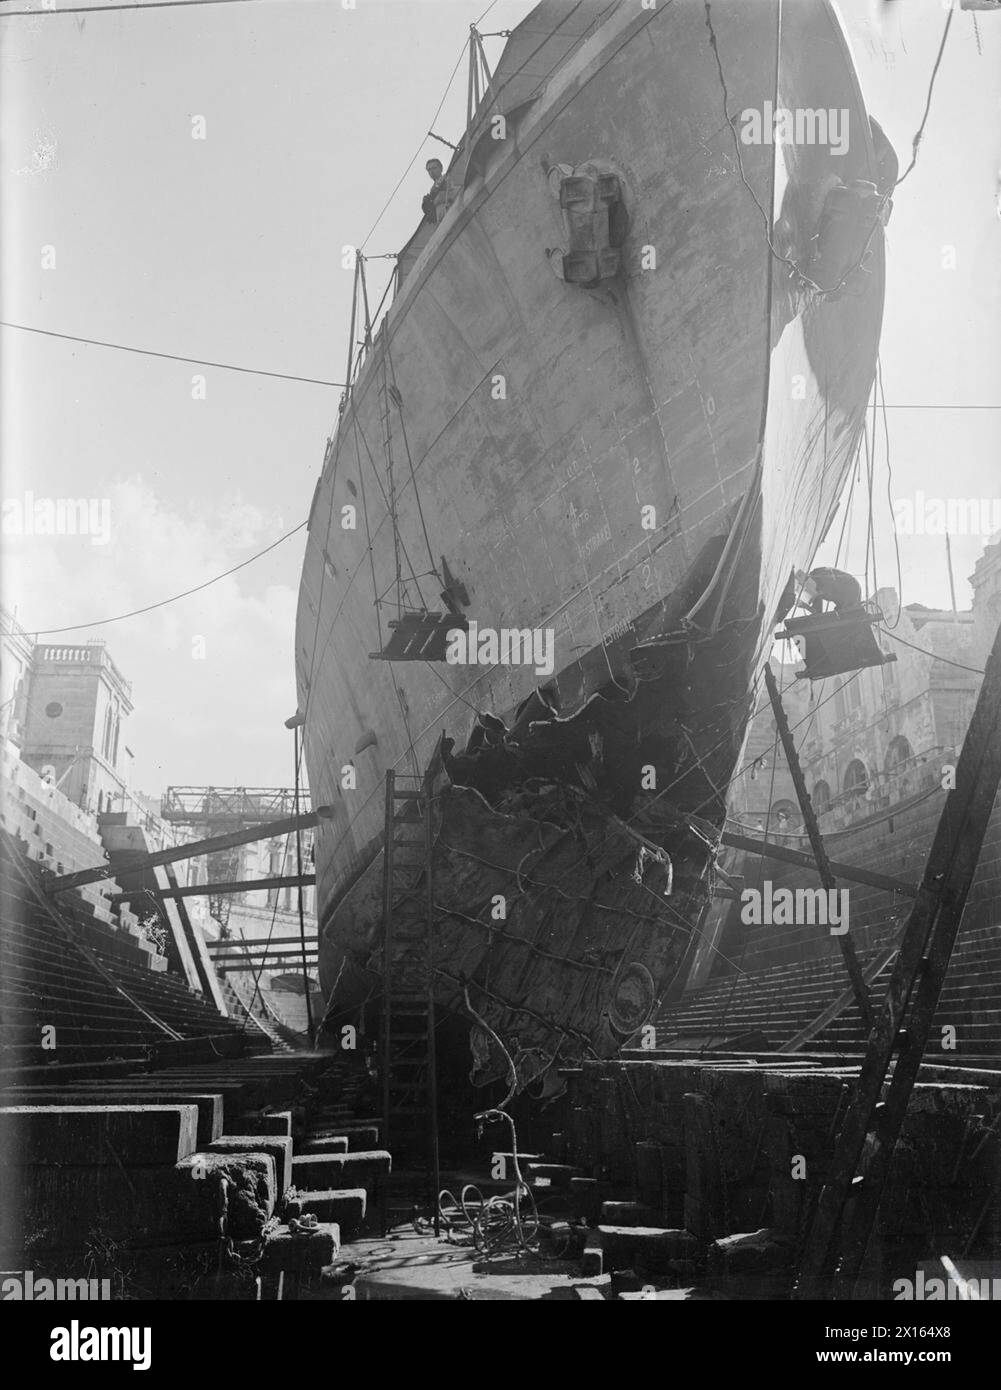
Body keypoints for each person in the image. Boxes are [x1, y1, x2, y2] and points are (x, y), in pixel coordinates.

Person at [422, 158, 448, 224]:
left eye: (434, 168)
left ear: (441, 168)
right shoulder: (432, 189)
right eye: (429, 170)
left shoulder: (447, 178)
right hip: (442, 220)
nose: (432, 172)